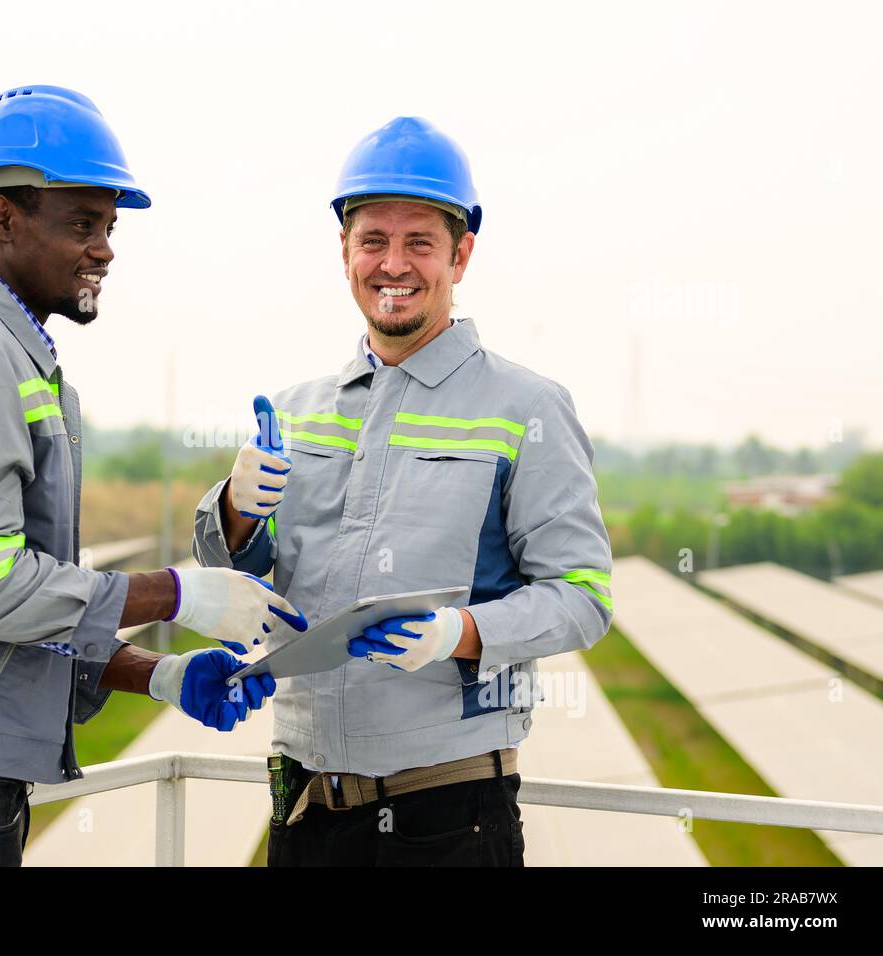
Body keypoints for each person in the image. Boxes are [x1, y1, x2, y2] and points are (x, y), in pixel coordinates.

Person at [0, 85, 305, 867]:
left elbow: (21, 615)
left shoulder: (17, 361)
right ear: (4, 218)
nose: (106, 249)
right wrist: (178, 593)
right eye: (82, 224)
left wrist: (159, 675)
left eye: (110, 227)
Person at [192, 116, 613, 866]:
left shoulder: (526, 408)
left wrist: (463, 635)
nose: (395, 264)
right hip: (304, 808)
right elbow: (232, 579)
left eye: (420, 241)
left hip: (448, 815)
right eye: (373, 241)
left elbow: (583, 596)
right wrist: (233, 511)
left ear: (462, 254)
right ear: (345, 253)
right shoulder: (294, 410)